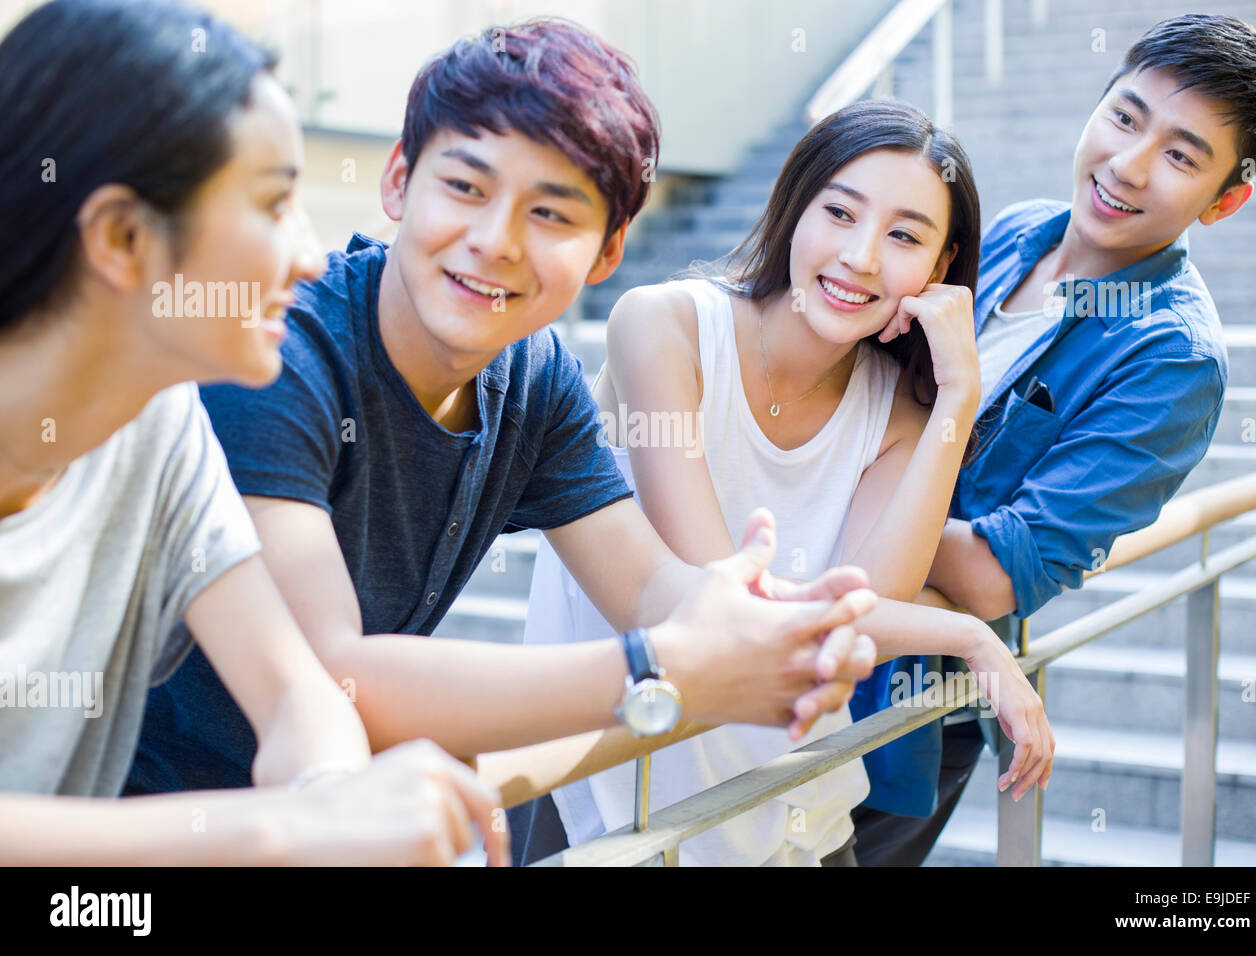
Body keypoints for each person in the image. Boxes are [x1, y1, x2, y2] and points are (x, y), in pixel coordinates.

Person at [127, 17, 880, 858]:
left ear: (607, 252)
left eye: (552, 213)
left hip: (332, 821)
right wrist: (659, 668)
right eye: (467, 188)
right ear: (398, 182)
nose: (496, 242)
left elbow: (650, 586)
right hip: (139, 827)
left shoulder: (533, 375)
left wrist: (768, 626)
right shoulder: (276, 355)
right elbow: (339, 674)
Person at [0, 0, 507, 865]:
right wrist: (286, 830)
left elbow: (299, 699)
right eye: (275, 204)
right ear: (123, 237)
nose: (312, 255)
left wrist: (331, 798)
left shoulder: (159, 424)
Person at [519, 99, 1054, 866]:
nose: (863, 256)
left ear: (940, 271)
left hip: (791, 800)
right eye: (840, 212)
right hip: (614, 790)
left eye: (904, 235)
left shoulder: (899, 408)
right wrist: (968, 635)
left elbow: (869, 610)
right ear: (795, 207)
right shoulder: (663, 327)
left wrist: (959, 400)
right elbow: (721, 605)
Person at [850, 13, 1256, 866]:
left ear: (1226, 199)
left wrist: (815, 504)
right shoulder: (1018, 229)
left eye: (1180, 154)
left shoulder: (1173, 358)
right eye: (1126, 118)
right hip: (813, 632)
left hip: (907, 702)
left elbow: (993, 575)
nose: (1127, 166)